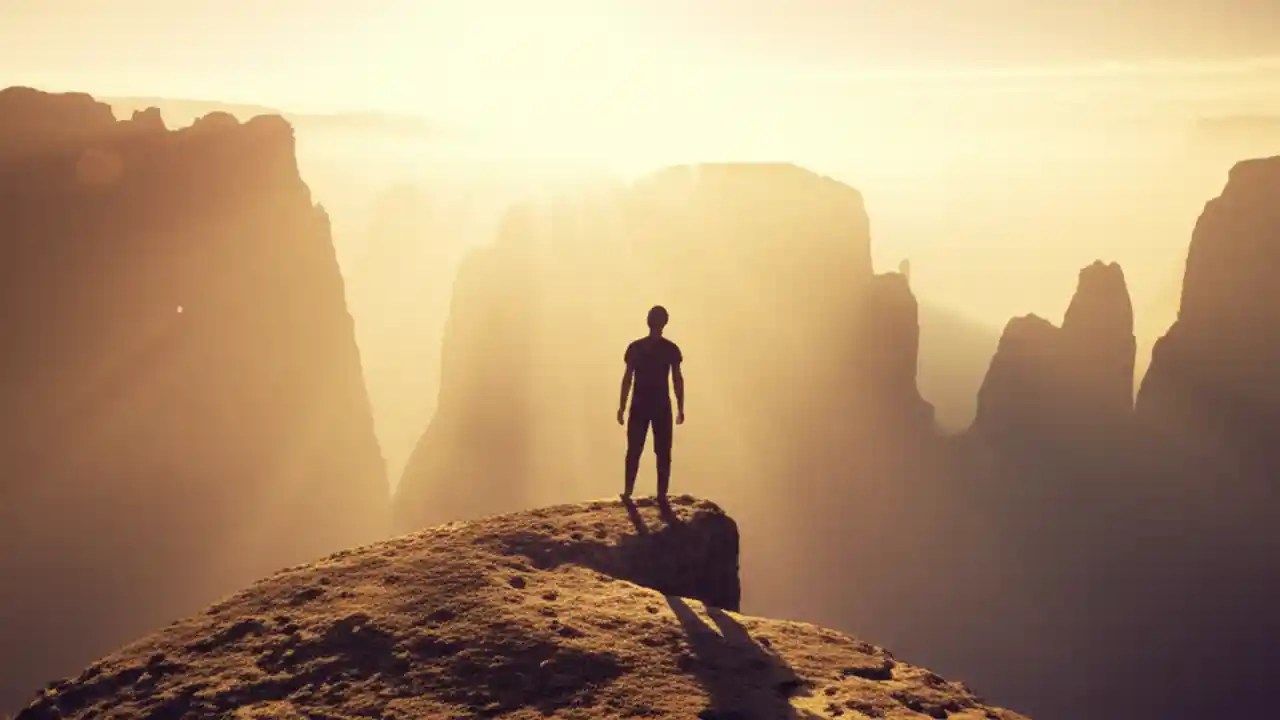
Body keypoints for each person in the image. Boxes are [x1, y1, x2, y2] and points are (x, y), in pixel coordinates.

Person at [618, 305, 685, 499]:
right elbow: (677, 381)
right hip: (656, 405)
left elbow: (627, 379)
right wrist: (681, 407)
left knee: (638, 450)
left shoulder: (637, 348)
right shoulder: (668, 349)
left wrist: (622, 406)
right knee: (658, 451)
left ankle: (631, 492)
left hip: (644, 404)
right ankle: (658, 494)